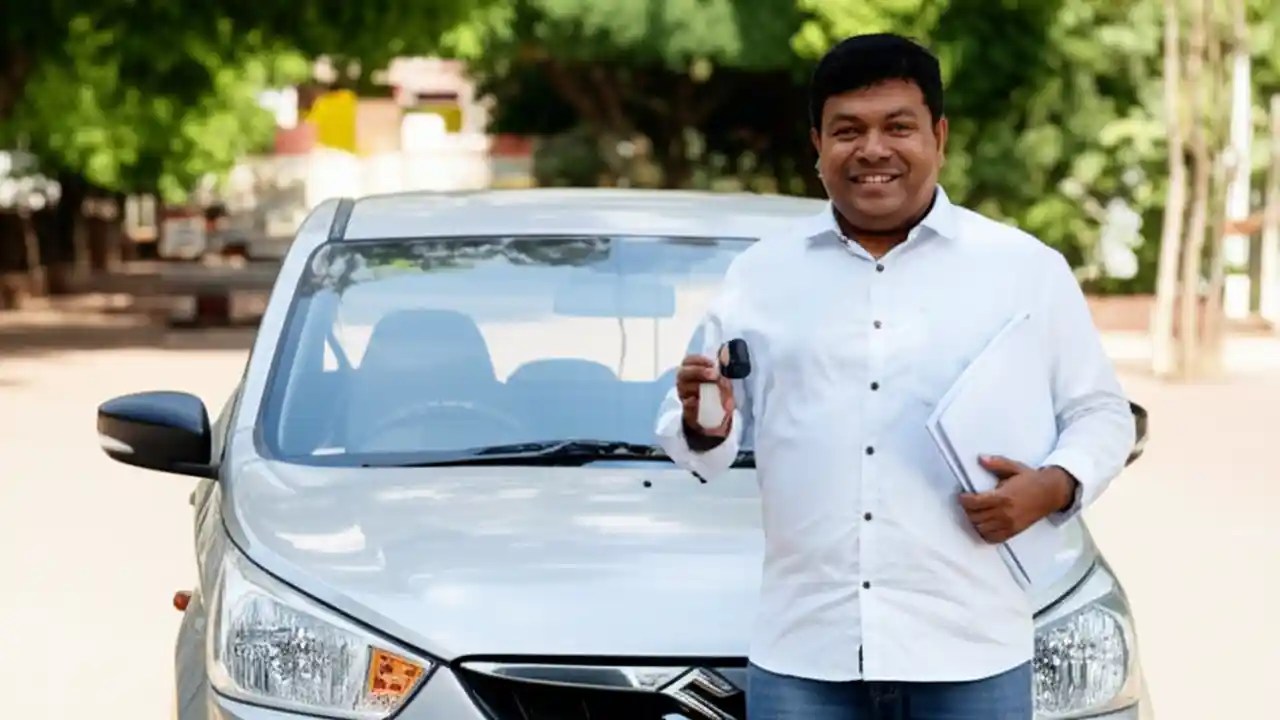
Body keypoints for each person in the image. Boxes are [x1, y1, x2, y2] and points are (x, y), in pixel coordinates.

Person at [654, 33, 1136, 720]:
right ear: (816, 144)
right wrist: (710, 425)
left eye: (898, 127)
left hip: (972, 652)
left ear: (938, 136)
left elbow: (1102, 413)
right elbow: (698, 432)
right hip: (805, 656)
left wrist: (1054, 486)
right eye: (847, 130)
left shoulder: (1024, 269)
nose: (873, 149)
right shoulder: (759, 277)